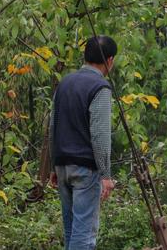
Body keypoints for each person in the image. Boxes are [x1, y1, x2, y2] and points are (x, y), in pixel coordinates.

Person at [50, 35, 117, 250]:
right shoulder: (100, 87)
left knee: (71, 230)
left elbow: (53, 126)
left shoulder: (65, 83)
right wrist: (106, 174)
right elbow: (100, 135)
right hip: (85, 169)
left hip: (62, 165)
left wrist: (54, 164)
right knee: (84, 234)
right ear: (110, 60)